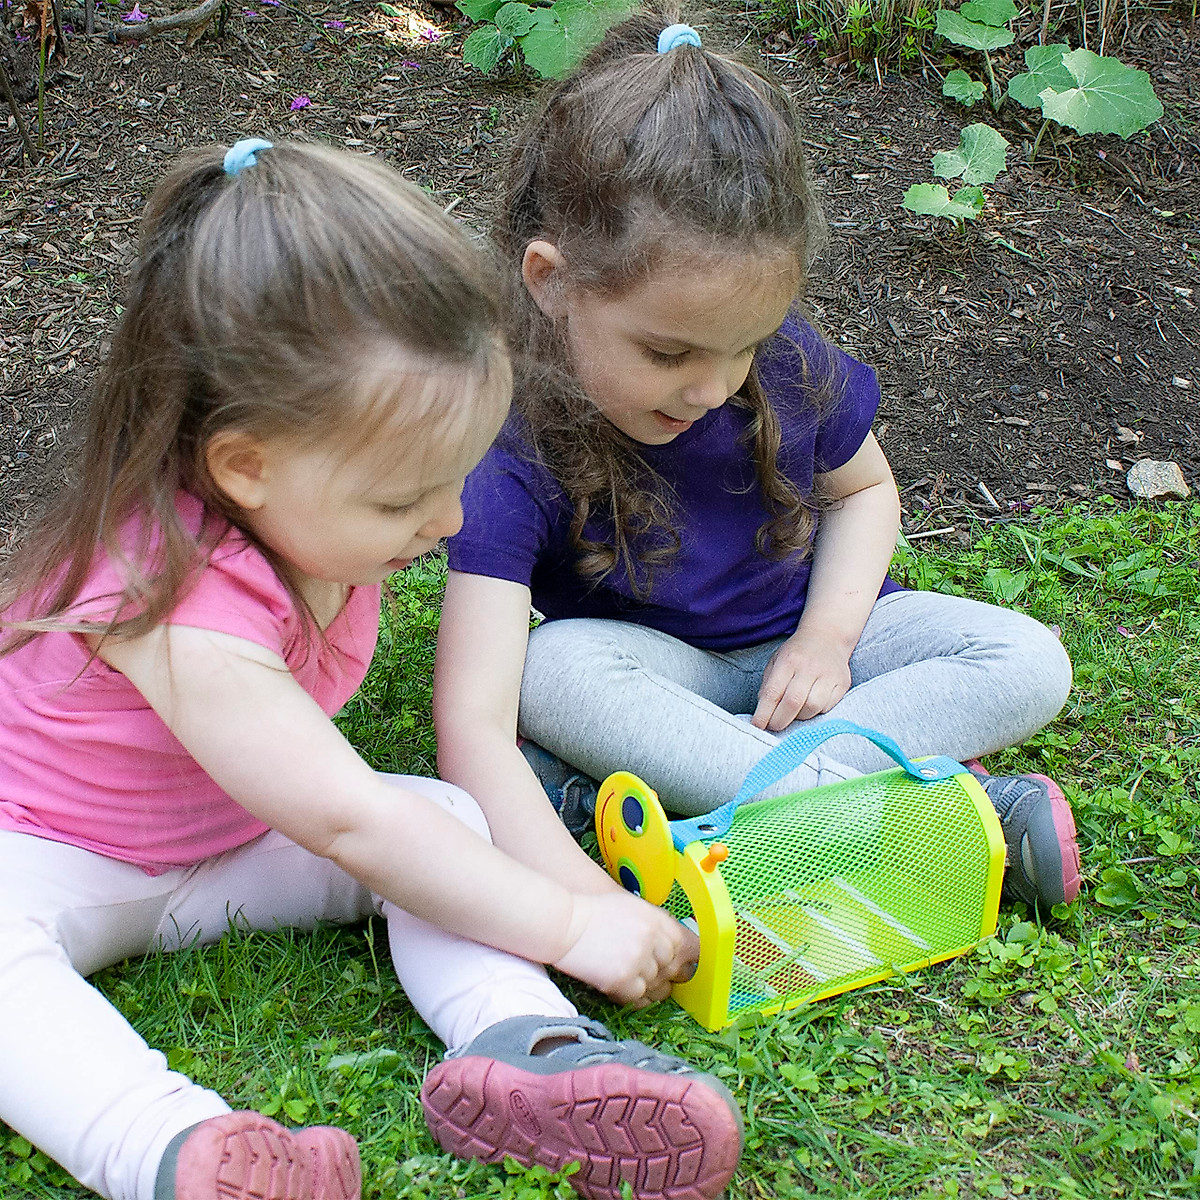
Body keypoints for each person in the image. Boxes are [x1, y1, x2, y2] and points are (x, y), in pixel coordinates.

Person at [0, 139, 744, 1200]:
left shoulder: (318, 511)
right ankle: (172, 1152)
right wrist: (571, 919)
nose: (444, 524)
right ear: (244, 465)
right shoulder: (161, 596)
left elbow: (367, 820)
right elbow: (350, 819)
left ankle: (529, 1048)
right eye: (403, 501)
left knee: (444, 817)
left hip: (232, 847)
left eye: (452, 482)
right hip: (43, 857)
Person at [433, 9, 1081, 919]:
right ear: (551, 281)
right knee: (553, 674)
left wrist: (827, 638)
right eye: (668, 354)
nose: (711, 385)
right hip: (659, 673)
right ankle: (931, 815)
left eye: (744, 346)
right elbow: (473, 718)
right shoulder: (511, 446)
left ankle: (724, 796)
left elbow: (864, 494)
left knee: (1024, 659)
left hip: (815, 652)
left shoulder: (785, 367)